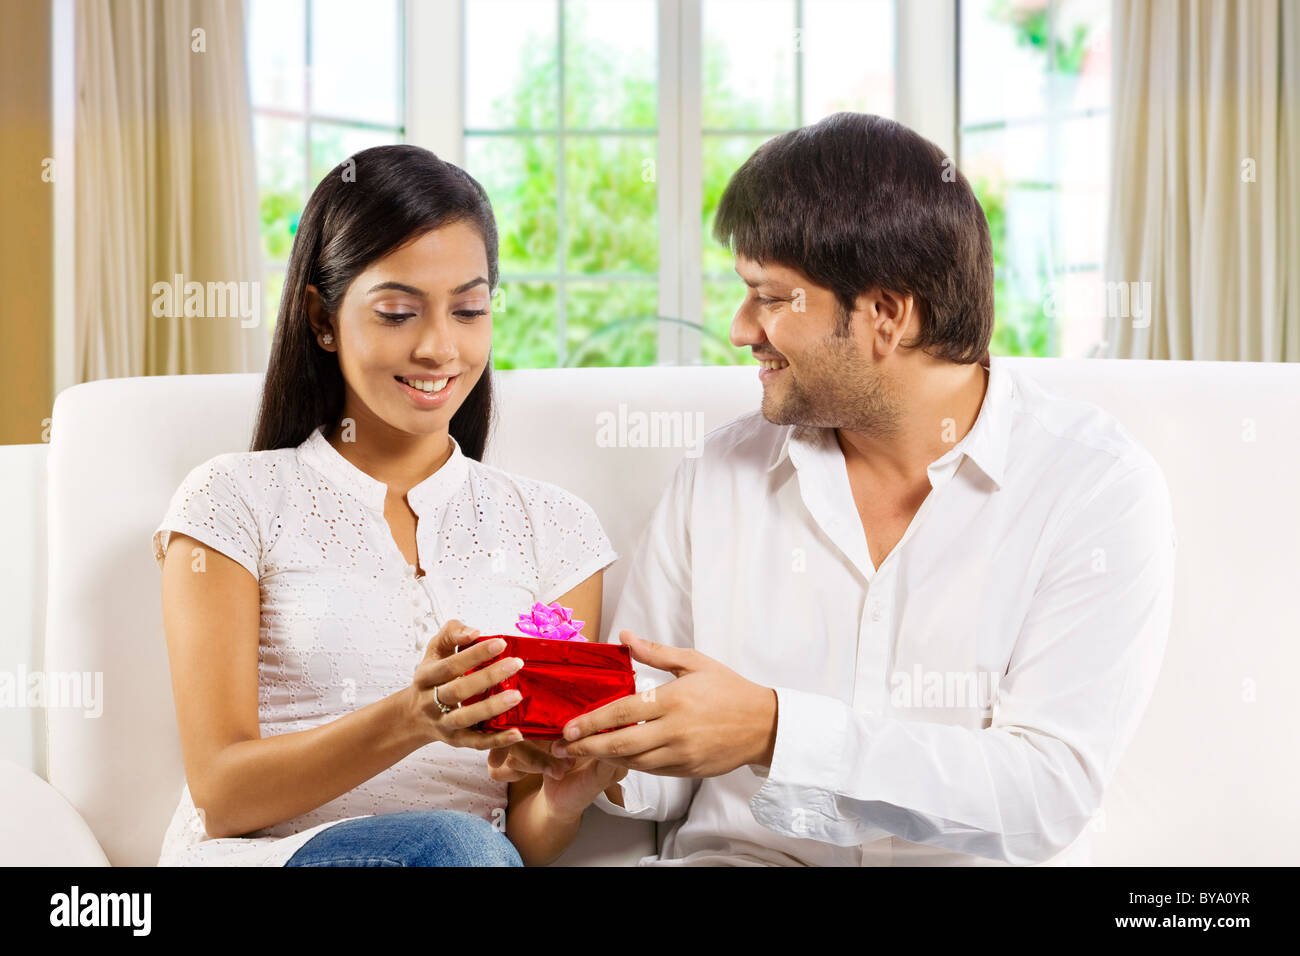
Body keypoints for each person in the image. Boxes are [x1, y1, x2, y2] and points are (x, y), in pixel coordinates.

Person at [492, 112, 1178, 866]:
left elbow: (1044, 794)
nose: (739, 328)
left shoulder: (1091, 488)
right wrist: (603, 757)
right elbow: (661, 752)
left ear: (886, 314)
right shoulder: (717, 475)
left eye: (770, 296)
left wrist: (775, 731)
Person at [153, 144, 621, 867]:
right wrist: (413, 717)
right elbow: (221, 796)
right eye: (399, 312)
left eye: (468, 310)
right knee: (454, 845)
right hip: (270, 858)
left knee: (468, 849)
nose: (440, 347)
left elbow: (522, 839)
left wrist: (565, 792)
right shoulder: (232, 500)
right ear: (322, 317)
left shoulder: (556, 529)